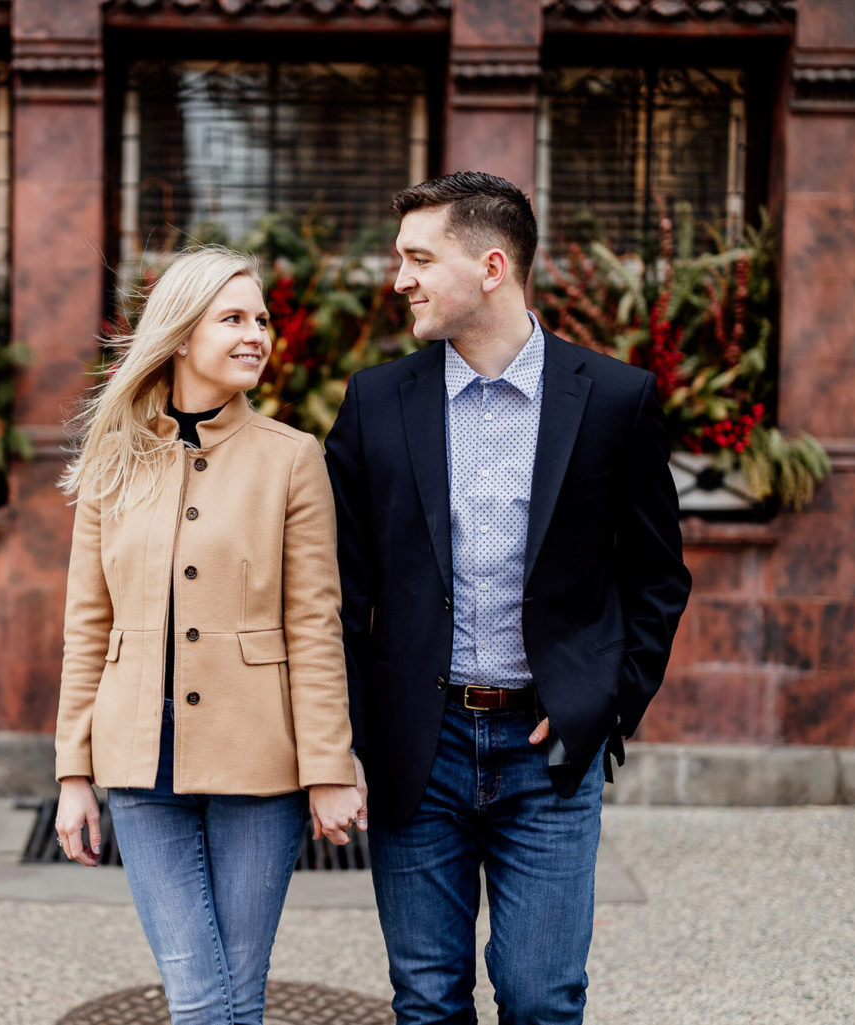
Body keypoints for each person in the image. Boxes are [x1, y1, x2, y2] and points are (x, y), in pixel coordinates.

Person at [324, 171, 692, 1024]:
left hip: (548, 752)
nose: (399, 279)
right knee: (426, 999)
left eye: (419, 257)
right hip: (420, 744)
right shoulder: (377, 403)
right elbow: (339, 592)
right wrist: (343, 738)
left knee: (542, 997)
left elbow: (657, 576)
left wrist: (604, 702)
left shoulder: (613, 399)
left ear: (492, 266)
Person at [53, 246, 366, 1025]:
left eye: (261, 318)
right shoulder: (113, 460)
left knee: (238, 994)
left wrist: (328, 765)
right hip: (135, 758)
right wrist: (71, 771)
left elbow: (315, 626)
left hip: (261, 760)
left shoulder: (293, 460)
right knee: (199, 995)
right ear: (182, 334)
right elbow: (88, 625)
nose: (256, 332)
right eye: (233, 317)